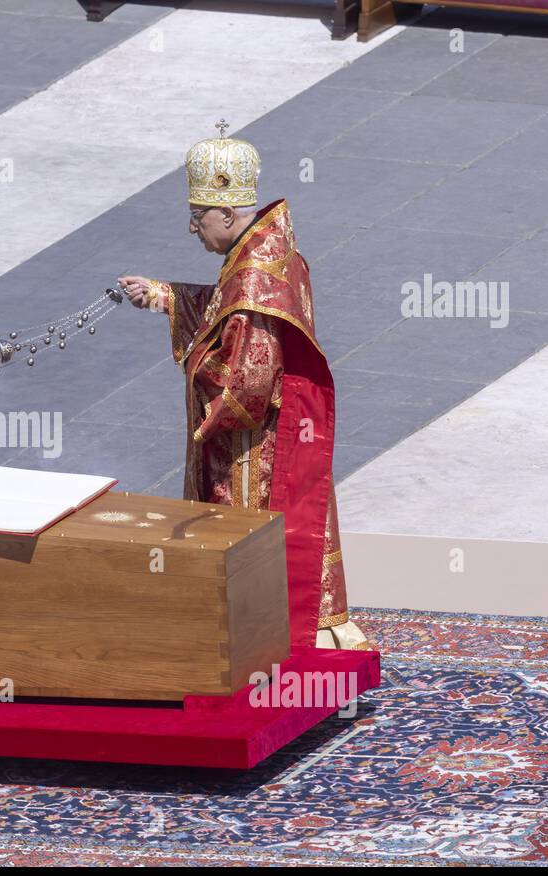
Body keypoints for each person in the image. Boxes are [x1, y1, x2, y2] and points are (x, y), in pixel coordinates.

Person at [119, 123, 369, 651]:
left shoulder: (255, 277)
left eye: (197, 217)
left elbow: (247, 384)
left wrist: (200, 386)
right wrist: (166, 296)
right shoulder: (270, 250)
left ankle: (259, 637)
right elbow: (223, 307)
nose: (192, 230)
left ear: (227, 214)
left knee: (251, 538)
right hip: (285, 425)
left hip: (254, 450)